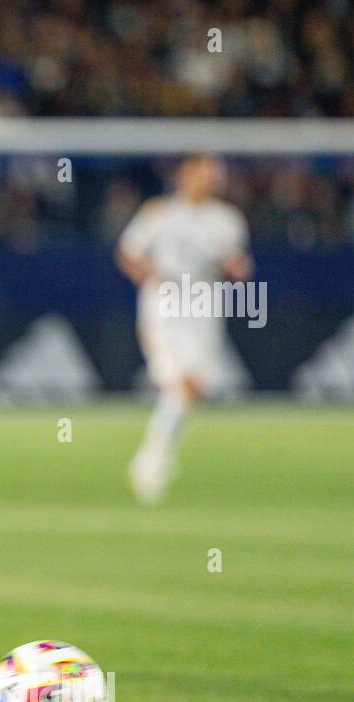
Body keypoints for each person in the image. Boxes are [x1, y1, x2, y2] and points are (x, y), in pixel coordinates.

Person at [116, 154, 253, 504]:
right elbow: (128, 253)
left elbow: (235, 262)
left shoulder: (227, 220)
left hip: (204, 307)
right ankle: (149, 461)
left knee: (195, 388)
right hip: (165, 308)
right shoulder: (159, 213)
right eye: (204, 172)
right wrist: (146, 273)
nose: (210, 180)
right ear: (185, 175)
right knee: (181, 384)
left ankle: (158, 453)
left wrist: (237, 268)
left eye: (215, 174)